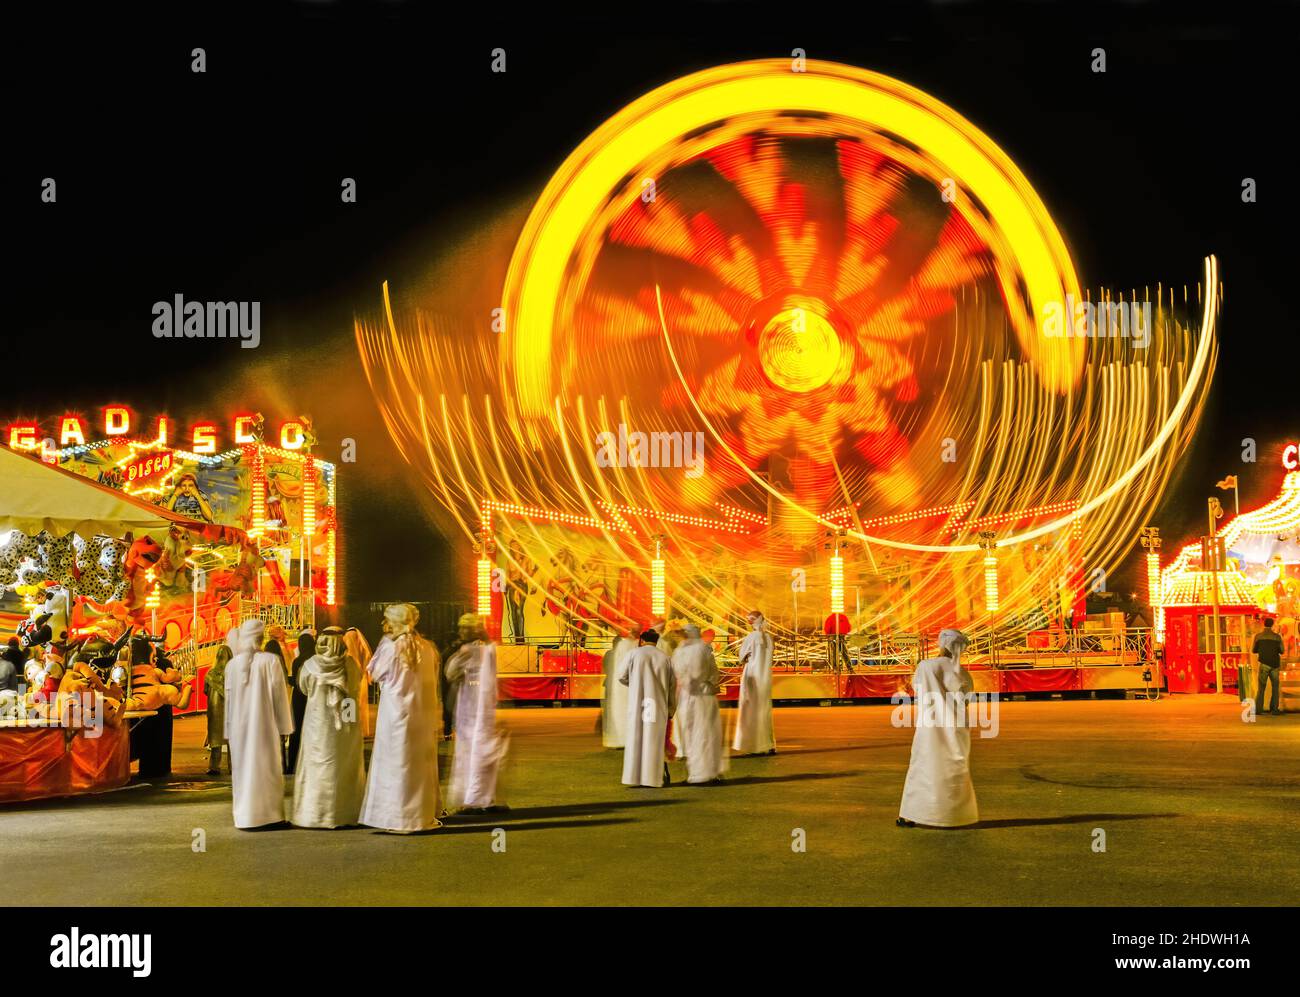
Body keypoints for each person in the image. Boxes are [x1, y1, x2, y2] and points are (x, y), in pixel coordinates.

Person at [360, 603, 443, 833]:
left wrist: (384, 644)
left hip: (396, 716)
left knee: (396, 764)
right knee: (417, 765)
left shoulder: (392, 647)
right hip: (421, 715)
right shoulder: (427, 647)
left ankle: (397, 817)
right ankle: (418, 815)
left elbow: (374, 674)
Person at [897, 628, 979, 828]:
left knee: (923, 767)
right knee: (954, 768)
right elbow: (966, 699)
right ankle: (955, 816)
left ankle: (912, 815)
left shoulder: (925, 666)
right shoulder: (963, 672)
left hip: (929, 727)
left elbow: (916, 687)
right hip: (955, 727)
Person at [291, 627, 367, 828]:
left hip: (317, 721)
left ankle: (316, 813)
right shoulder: (350, 664)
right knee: (344, 762)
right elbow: (356, 689)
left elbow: (303, 687)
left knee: (318, 763)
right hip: (345, 716)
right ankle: (345, 812)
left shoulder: (310, 666)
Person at [224, 619, 294, 829]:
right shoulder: (270, 661)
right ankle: (269, 816)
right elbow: (279, 696)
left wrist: (228, 730)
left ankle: (245, 817)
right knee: (267, 769)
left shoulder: (232, 665)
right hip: (264, 726)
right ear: (260, 638)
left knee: (243, 770)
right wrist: (284, 727)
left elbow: (228, 699)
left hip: (239, 728)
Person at [444, 613, 508, 814]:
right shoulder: (489, 649)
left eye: (464, 628)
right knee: (486, 751)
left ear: (473, 630)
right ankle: (488, 797)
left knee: (467, 752)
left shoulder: (467, 650)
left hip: (469, 707)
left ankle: (472, 799)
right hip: (486, 707)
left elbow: (450, 672)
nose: (461, 631)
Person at [618, 629, 676, 788]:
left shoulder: (634, 654)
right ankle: (654, 778)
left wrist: (636, 684)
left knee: (636, 740)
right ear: (656, 641)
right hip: (657, 706)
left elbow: (621, 676)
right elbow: (672, 687)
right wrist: (671, 710)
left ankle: (633, 778)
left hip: (638, 705)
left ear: (642, 640)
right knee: (654, 741)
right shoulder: (665, 658)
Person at [672, 625, 727, 784]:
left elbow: (694, 674)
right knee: (700, 734)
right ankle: (704, 772)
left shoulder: (694, 650)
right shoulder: (694, 649)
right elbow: (712, 672)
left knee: (699, 734)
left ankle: (702, 774)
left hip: (697, 697)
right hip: (697, 696)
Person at [733, 610, 776, 755]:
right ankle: (768, 744)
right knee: (764, 711)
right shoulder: (769, 638)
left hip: (752, 677)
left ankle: (755, 745)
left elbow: (741, 657)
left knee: (751, 711)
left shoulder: (751, 637)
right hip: (765, 678)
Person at [285, 631, 316, 774]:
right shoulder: (316, 660)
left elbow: (296, 681)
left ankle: (292, 765)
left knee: (296, 732)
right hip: (312, 698)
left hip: (298, 699)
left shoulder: (297, 661)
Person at [601, 627, 637, 749]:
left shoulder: (609, 653)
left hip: (612, 684)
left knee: (613, 709)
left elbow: (605, 667)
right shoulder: (627, 649)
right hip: (623, 685)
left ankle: (617, 736)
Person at [204, 636, 235, 774]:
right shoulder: (233, 674)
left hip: (214, 711)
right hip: (230, 711)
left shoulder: (210, 674)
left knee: (215, 739)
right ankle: (233, 767)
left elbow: (205, 691)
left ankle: (214, 767)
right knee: (232, 740)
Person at [342, 627, 374, 737]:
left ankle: (351, 730)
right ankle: (362, 730)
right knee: (360, 705)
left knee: (351, 703)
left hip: (352, 682)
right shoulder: (363, 651)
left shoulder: (347, 655)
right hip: (362, 681)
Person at [1254, 617, 1285, 716]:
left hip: (1263, 664)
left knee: (1261, 688)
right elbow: (1282, 650)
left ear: (1264, 624)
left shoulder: (1258, 636)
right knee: (1275, 687)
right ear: (1272, 625)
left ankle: (1258, 709)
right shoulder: (1277, 637)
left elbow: (1254, 650)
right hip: (1275, 665)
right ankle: (1274, 709)